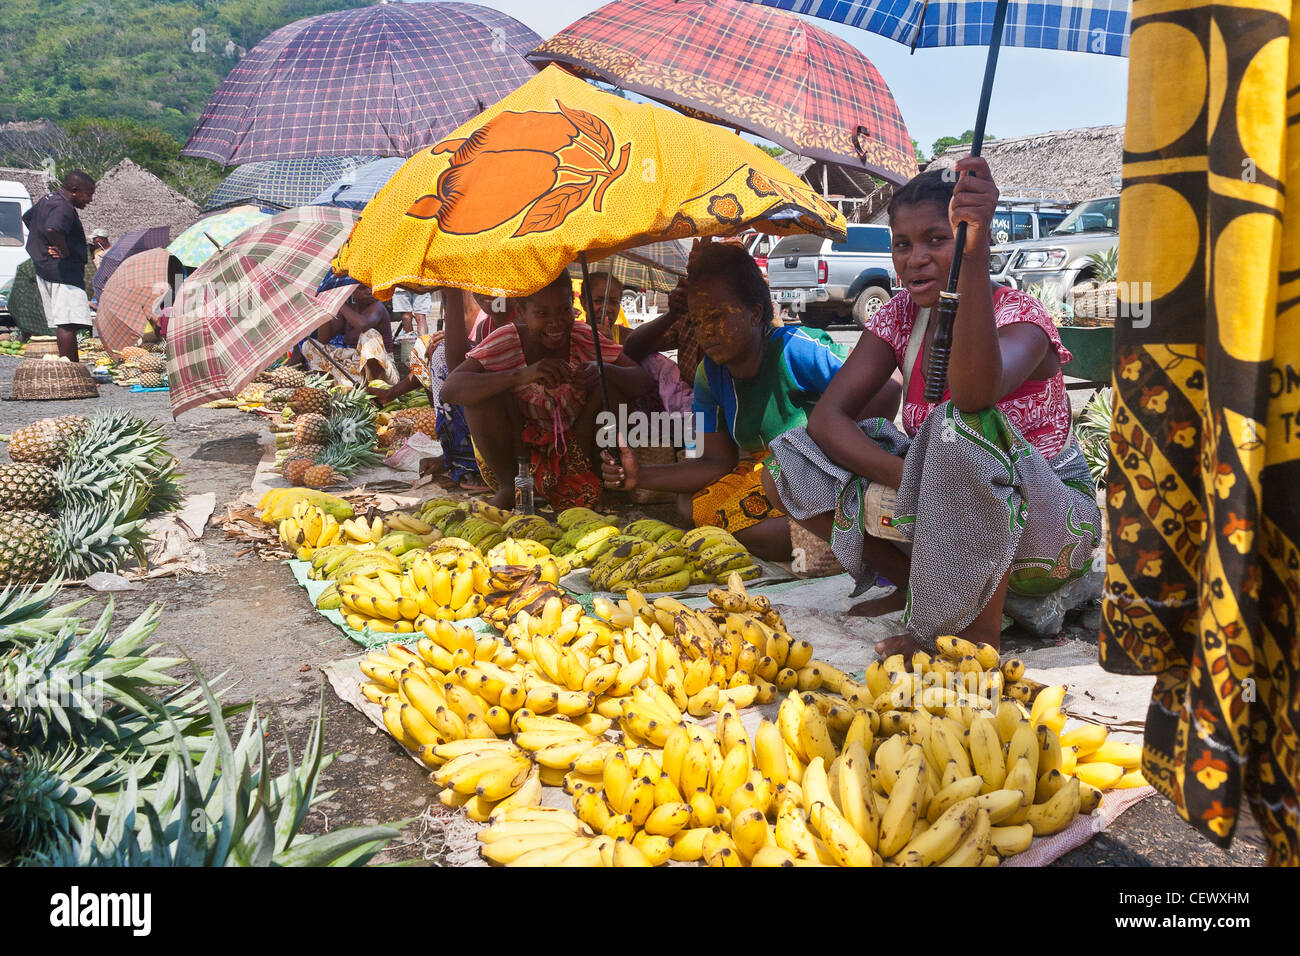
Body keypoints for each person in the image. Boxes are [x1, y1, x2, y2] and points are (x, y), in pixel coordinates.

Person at [763, 161, 1101, 655]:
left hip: (1045, 531)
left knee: (957, 424)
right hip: (944, 508)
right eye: (902, 244)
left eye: (937, 241)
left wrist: (976, 257)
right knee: (789, 459)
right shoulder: (901, 315)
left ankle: (968, 634)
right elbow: (827, 418)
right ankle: (917, 587)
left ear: (969, 241)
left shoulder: (1020, 317)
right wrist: (909, 477)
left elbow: (973, 398)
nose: (914, 259)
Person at [601, 242, 900, 561]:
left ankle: (825, 536)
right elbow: (714, 463)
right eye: (698, 321)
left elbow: (889, 390)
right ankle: (811, 539)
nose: (706, 332)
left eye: (717, 316)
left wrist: (836, 454)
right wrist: (639, 476)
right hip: (765, 474)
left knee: (761, 532)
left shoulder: (795, 349)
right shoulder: (708, 376)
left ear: (755, 312)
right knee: (689, 505)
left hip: (827, 471)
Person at [441, 271, 654, 511]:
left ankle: (598, 481)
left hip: (578, 451)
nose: (556, 322)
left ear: (573, 306)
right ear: (521, 312)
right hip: (517, 456)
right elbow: (451, 389)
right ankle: (511, 489)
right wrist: (521, 375)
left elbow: (643, 382)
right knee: (481, 394)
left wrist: (602, 370)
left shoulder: (583, 336)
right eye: (542, 313)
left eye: (563, 310)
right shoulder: (508, 339)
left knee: (614, 387)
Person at [22, 170, 95, 361]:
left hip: (46, 268)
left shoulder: (47, 199)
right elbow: (52, 228)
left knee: (63, 322)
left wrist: (46, 243)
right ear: (74, 190)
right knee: (68, 323)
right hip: (63, 272)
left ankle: (68, 367)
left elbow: (28, 218)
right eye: (88, 194)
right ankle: (72, 370)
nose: (90, 199)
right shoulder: (64, 207)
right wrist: (63, 249)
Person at [298, 284, 399, 387]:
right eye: (362, 288)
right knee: (310, 345)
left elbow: (363, 325)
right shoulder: (350, 310)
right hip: (354, 368)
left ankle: (377, 387)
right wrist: (326, 308)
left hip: (384, 371)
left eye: (371, 287)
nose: (369, 291)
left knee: (369, 335)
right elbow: (323, 339)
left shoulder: (378, 307)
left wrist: (340, 303)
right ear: (352, 292)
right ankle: (331, 387)